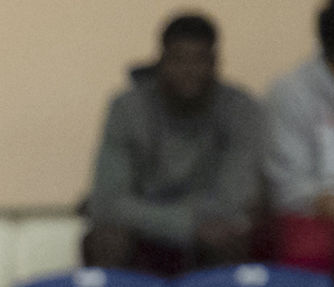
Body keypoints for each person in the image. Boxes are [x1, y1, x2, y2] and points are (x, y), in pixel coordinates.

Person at [82, 13, 264, 273]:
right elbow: (108, 200)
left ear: (215, 62)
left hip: (207, 230)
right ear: (161, 61)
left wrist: (186, 223)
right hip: (147, 231)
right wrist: (185, 225)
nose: (189, 71)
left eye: (200, 59)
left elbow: (234, 200)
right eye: (178, 60)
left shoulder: (240, 109)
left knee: (230, 238)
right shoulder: (127, 108)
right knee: (105, 240)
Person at [265, 2, 334, 274]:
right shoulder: (291, 92)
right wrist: (324, 201)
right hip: (311, 213)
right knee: (307, 248)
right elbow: (287, 184)